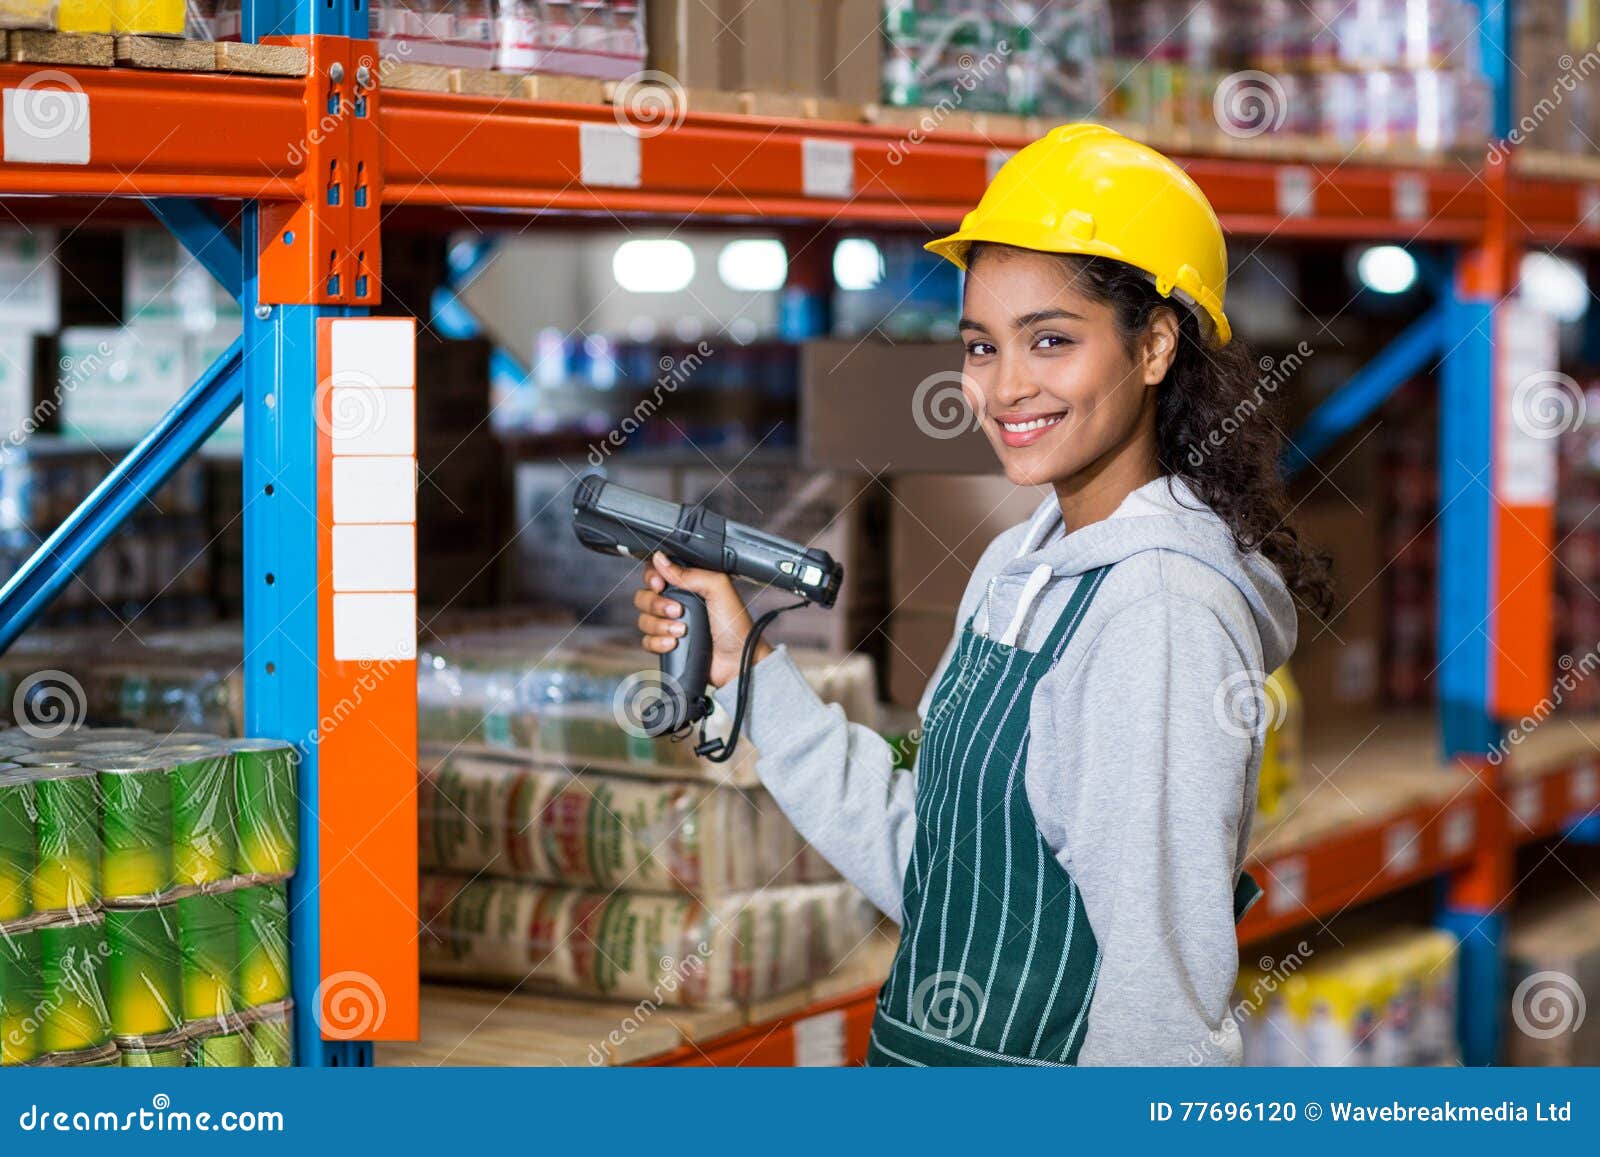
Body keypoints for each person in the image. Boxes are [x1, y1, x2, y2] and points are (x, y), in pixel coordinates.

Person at [632, 124, 1332, 1066]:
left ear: (1156, 344)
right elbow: (935, 865)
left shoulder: (1161, 612)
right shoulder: (1017, 566)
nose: (1006, 387)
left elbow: (1158, 996)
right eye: (980, 346)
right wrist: (746, 670)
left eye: (1051, 340)